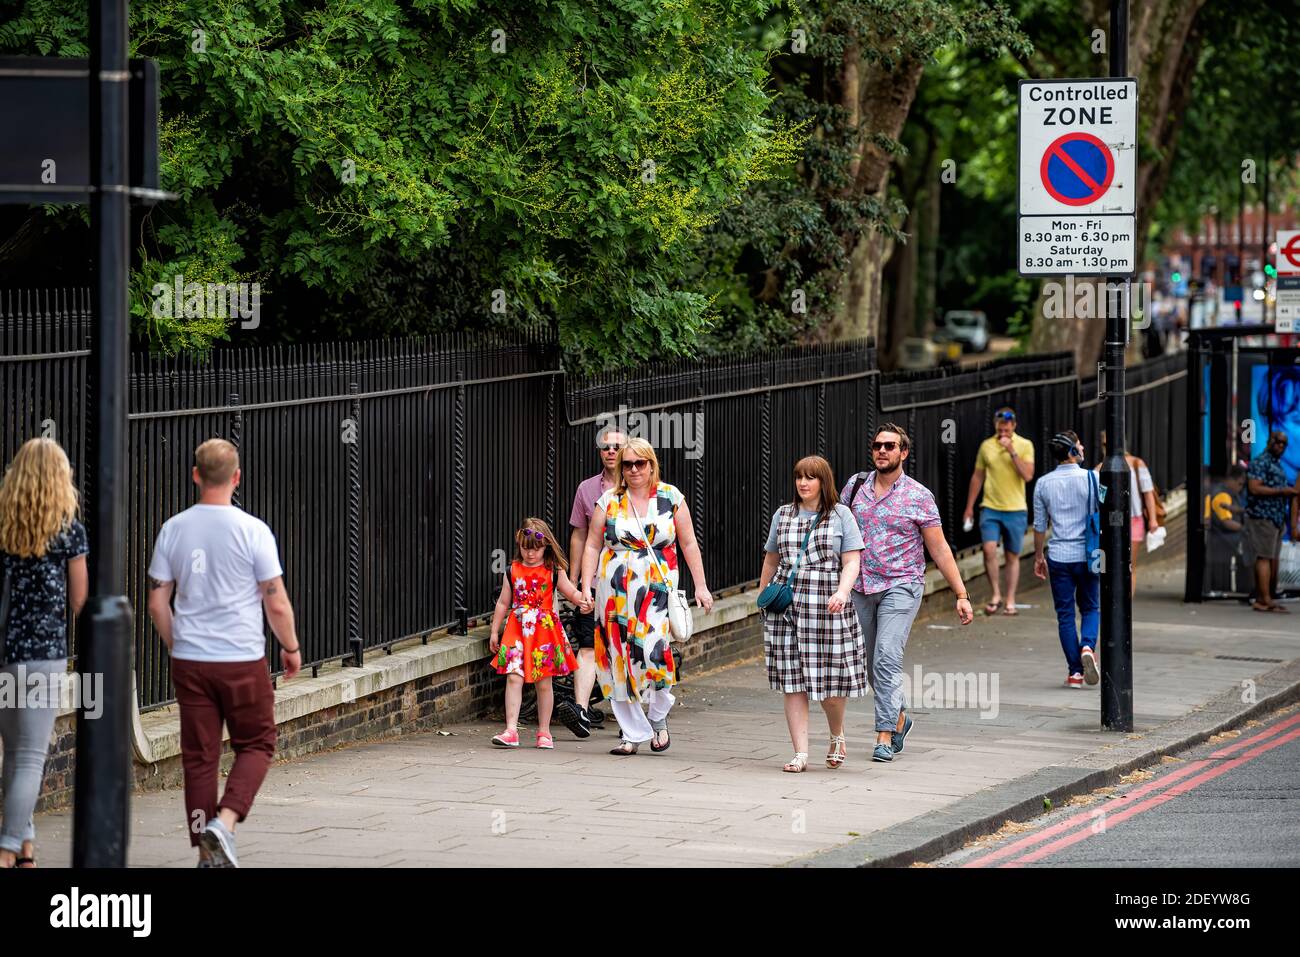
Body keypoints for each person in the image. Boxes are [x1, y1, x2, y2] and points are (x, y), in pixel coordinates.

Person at [147, 438, 301, 868]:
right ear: (237, 477)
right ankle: (225, 822)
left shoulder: (173, 529)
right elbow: (275, 601)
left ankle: (205, 849)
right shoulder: (253, 531)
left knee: (199, 758)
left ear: (196, 475)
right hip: (241, 659)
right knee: (257, 743)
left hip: (191, 661)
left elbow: (157, 603)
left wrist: (179, 645)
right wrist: (290, 647)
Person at [843, 423, 974, 764]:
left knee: (886, 655)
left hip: (901, 585)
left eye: (890, 446)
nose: (882, 451)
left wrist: (961, 594)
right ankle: (900, 716)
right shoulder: (855, 487)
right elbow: (838, 532)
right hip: (860, 586)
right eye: (877, 445)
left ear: (903, 452)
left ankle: (885, 735)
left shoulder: (919, 496)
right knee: (869, 663)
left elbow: (939, 549)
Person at [579, 438, 713, 755]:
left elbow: (689, 543)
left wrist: (701, 585)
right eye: (627, 464)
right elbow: (592, 545)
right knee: (617, 660)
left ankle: (657, 716)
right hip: (613, 595)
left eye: (640, 463)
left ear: (652, 465)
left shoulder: (671, 497)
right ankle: (631, 732)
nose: (634, 469)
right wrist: (585, 586)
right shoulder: (608, 501)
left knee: (654, 654)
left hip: (656, 591)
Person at [0, 438, 87, 869]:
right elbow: (80, 599)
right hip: (45, 654)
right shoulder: (68, 529)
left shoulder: (5, 527)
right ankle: (7, 848)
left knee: (14, 755)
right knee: (32, 757)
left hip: (6, 654)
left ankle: (26, 851)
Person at [758, 456, 865, 773]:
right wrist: (763, 597)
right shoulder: (783, 515)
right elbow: (771, 560)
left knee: (831, 684)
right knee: (792, 681)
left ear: (823, 481)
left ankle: (836, 734)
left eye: (810, 477)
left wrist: (842, 592)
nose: (803, 483)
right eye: (799, 477)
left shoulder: (841, 515)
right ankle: (800, 753)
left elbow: (852, 561)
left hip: (826, 604)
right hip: (787, 605)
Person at [487, 518, 587, 749]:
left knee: (543, 683)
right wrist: (494, 631)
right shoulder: (512, 570)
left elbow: (570, 592)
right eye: (526, 548)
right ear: (519, 546)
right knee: (514, 677)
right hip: (516, 629)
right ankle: (511, 730)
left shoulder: (553, 570)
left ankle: (544, 732)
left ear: (546, 546)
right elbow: (503, 602)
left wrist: (582, 600)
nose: (530, 554)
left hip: (544, 633)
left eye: (536, 549)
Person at [557, 427, 625, 738]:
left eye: (617, 447)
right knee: (587, 645)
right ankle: (581, 712)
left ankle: (630, 720)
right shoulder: (586, 489)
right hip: (593, 582)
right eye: (606, 447)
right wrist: (574, 582)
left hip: (626, 585)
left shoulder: (638, 487)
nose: (611, 452)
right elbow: (580, 536)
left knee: (623, 650)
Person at [1032, 432, 1100, 689]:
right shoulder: (1093, 479)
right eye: (1079, 445)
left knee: (1065, 615)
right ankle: (1088, 647)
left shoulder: (1043, 484)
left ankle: (1075, 673)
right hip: (1089, 555)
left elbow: (1040, 525)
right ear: (1072, 451)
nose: (1083, 448)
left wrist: (1039, 556)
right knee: (1091, 607)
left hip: (1059, 556)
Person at [962, 407, 1035, 616]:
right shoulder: (987, 446)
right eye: (1000, 429)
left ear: (1014, 426)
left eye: (1006, 429)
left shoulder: (1025, 445)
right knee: (989, 549)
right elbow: (978, 476)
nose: (1003, 433)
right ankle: (995, 594)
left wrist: (1012, 451)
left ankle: (1010, 599)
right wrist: (969, 507)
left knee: (1012, 555)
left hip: (1016, 508)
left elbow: (1028, 475)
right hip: (990, 507)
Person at [1096, 431, 1161, 598]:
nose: (1108, 447)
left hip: (1134, 519)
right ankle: (1111, 600)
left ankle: (1126, 602)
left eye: (1110, 443)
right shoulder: (1099, 468)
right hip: (1108, 522)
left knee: (1128, 564)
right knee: (1108, 564)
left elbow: (1148, 493)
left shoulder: (1137, 464)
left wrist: (1153, 520)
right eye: (1105, 444)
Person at [1245, 431, 1296, 613]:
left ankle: (1266, 597)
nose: (1281, 446)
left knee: (1271, 557)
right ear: (1270, 442)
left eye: (1284, 444)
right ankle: (1264, 599)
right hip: (1263, 516)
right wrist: (1282, 491)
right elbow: (1254, 488)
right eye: (1278, 442)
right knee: (1264, 557)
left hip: (1276, 517)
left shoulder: (1276, 464)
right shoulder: (1261, 462)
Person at [1205, 465, 1251, 595]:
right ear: (1231, 479)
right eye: (1239, 484)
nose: (1240, 488)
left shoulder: (1224, 492)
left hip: (1221, 540)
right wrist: (1245, 529)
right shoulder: (1222, 495)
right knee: (1222, 571)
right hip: (1222, 540)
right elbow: (1226, 522)